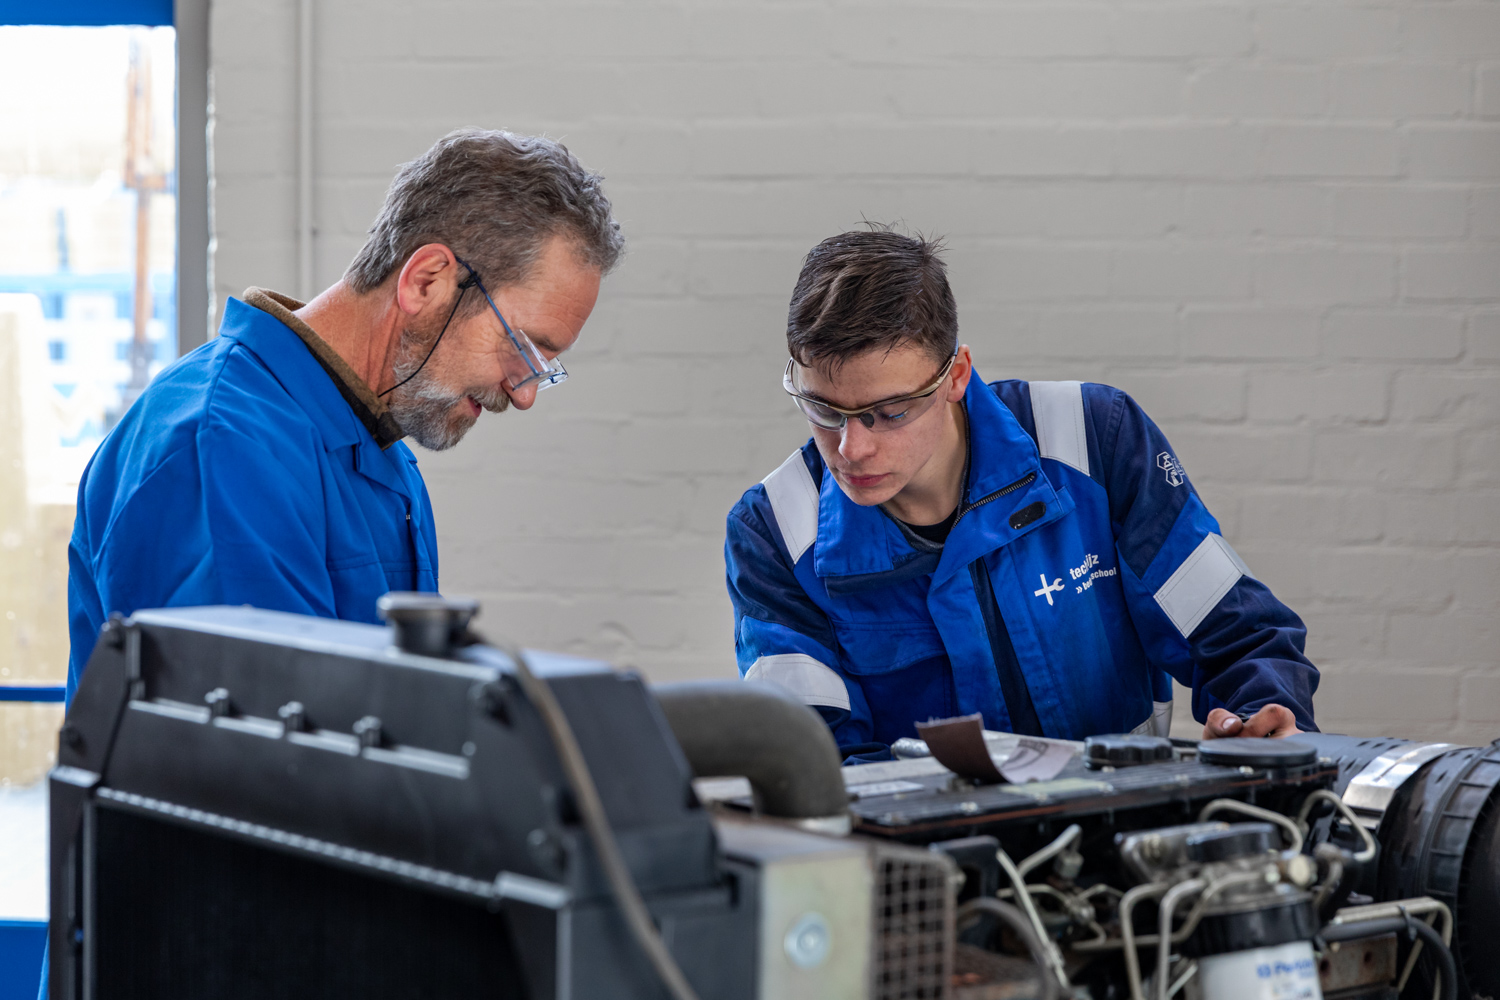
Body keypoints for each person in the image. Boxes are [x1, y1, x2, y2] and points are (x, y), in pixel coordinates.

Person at [724, 228, 1318, 763]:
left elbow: (1240, 636)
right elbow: (809, 765)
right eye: (823, 410)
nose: (850, 448)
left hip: (1126, 844)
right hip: (924, 871)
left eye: (889, 411)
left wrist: (1259, 721)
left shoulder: (1094, 443)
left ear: (955, 376)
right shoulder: (775, 534)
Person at [66, 128, 623, 694]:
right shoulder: (223, 445)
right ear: (426, 281)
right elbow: (247, 753)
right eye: (524, 348)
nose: (524, 393)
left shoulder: (381, 453)